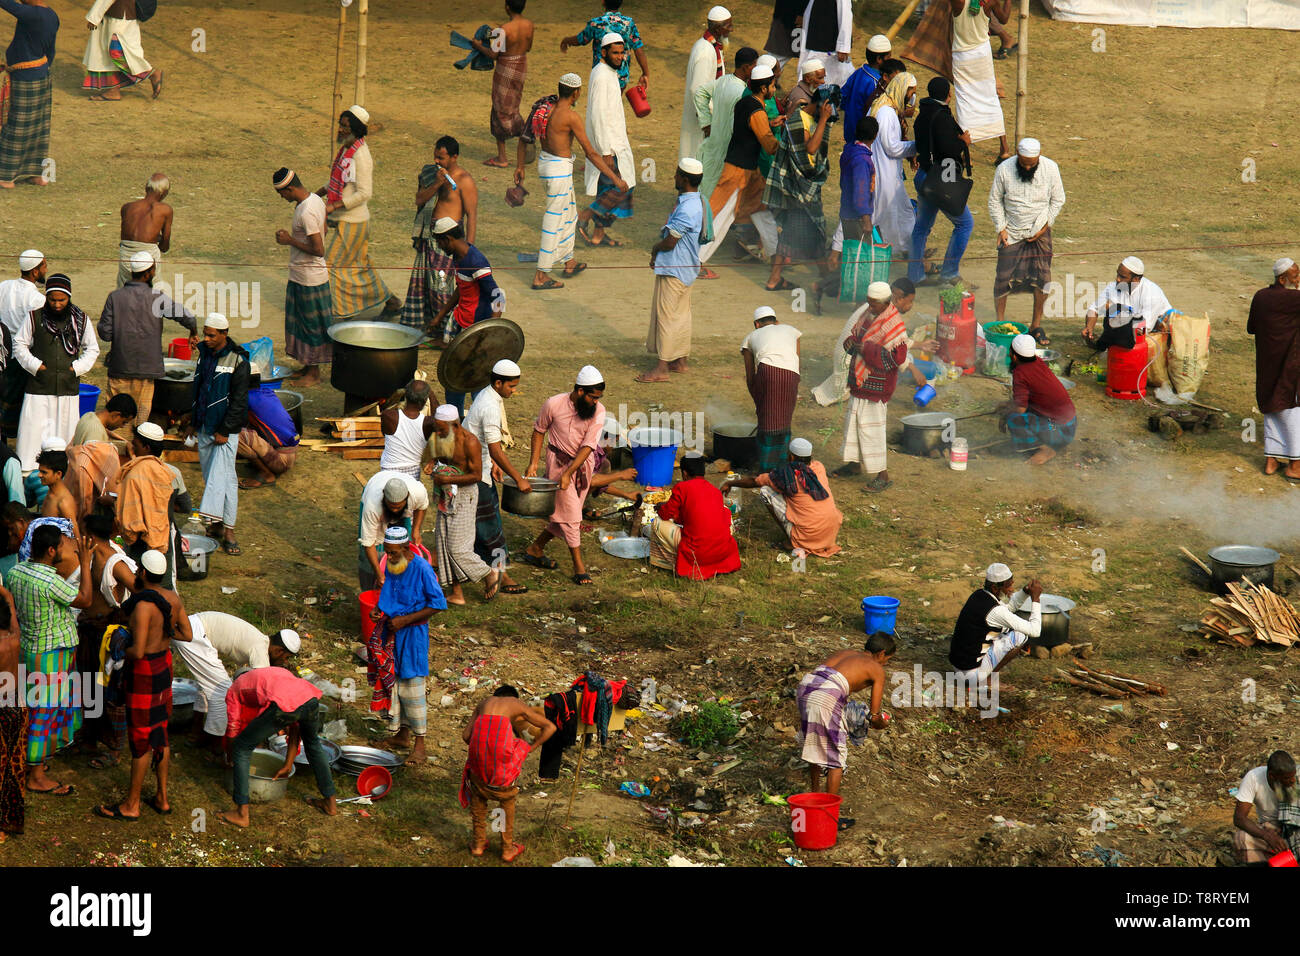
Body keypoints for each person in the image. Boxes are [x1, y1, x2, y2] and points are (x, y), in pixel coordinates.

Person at [92, 549, 190, 821]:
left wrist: (118, 646)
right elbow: (187, 634)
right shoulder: (173, 598)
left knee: (140, 740)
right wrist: (165, 635)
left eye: (137, 572)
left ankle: (131, 805)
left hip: (145, 671)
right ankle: (162, 798)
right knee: (160, 732)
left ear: (144, 573)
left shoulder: (144, 606)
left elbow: (138, 651)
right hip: (164, 666)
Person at [6, 523, 93, 795]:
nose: (70, 550)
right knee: (45, 712)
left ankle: (37, 762)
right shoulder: (50, 580)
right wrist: (87, 564)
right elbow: (86, 600)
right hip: (51, 653)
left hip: (30, 650)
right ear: (51, 550)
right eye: (65, 545)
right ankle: (35, 775)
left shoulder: (16, 571)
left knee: (35, 707)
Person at [518, 73, 624, 290]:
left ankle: (569, 262)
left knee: (569, 214)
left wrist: (520, 166)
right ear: (576, 92)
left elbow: (524, 138)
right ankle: (540, 275)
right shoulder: (571, 117)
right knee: (553, 221)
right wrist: (615, 179)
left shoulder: (545, 107)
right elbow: (591, 154)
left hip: (547, 166)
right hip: (558, 171)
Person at [219, 666, 338, 828]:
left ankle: (241, 813)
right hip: (309, 698)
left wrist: (231, 758)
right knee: (313, 744)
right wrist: (288, 764)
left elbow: (233, 730)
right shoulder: (274, 673)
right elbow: (295, 724)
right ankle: (330, 803)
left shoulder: (234, 689)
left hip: (286, 704)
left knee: (241, 747)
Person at [368, 526, 445, 763]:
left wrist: (405, 620)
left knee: (412, 687)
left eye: (393, 553)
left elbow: (438, 604)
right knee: (396, 685)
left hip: (413, 636)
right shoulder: (392, 565)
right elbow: (390, 593)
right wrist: (379, 609)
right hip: (392, 633)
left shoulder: (422, 569)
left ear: (405, 547)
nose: (389, 557)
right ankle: (401, 735)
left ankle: (419, 745)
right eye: (387, 552)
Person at [522, 367, 606, 585]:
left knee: (566, 513)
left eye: (598, 398)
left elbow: (588, 446)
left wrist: (570, 472)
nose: (596, 402)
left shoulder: (599, 411)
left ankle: (535, 548)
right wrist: (533, 463)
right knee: (572, 517)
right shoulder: (554, 404)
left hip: (581, 466)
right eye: (593, 397)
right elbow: (539, 430)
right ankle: (579, 567)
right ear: (579, 392)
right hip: (556, 464)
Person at [697, 63, 780, 275]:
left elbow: (751, 129)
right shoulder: (758, 112)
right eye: (773, 86)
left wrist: (771, 124)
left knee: (761, 209)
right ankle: (695, 261)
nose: (774, 89)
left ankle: (775, 254)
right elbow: (769, 145)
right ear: (764, 89)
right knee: (721, 216)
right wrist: (786, 140)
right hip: (738, 172)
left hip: (749, 172)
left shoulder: (744, 103)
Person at [318, 106, 399, 321]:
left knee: (331, 266)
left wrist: (334, 206)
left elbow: (365, 193)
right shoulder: (346, 148)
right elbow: (339, 180)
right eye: (340, 125)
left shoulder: (361, 155)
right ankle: (392, 302)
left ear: (355, 128)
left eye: (345, 126)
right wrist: (318, 194)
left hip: (353, 222)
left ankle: (344, 314)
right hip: (348, 221)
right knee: (359, 268)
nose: (341, 129)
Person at [97, 248, 196, 422]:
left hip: (120, 367)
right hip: (147, 370)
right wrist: (193, 331)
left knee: (116, 419)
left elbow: (105, 334)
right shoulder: (157, 298)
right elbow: (186, 316)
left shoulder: (115, 297)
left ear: (132, 272)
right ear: (151, 272)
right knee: (140, 419)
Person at [13, 273, 100, 472]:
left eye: (62, 300)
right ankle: (29, 470)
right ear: (46, 297)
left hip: (67, 388)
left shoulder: (80, 319)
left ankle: (63, 469)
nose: (57, 304)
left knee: (65, 433)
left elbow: (92, 349)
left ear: (69, 297)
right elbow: (19, 344)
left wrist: (76, 368)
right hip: (39, 388)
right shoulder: (34, 317)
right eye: (52, 299)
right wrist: (35, 365)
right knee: (34, 433)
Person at [796, 634, 893, 810]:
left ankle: (814, 797)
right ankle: (828, 812)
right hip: (827, 695)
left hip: (806, 687)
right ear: (881, 653)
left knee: (814, 743)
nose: (885, 664)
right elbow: (874, 716)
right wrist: (883, 723)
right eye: (888, 659)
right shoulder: (876, 669)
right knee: (836, 758)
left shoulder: (845, 653)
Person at [460, 685, 556, 862]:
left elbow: (466, 736)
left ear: (495, 696)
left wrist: (483, 749)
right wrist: (529, 748)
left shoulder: (484, 703)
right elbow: (550, 727)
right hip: (500, 765)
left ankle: (478, 845)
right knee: (505, 798)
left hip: (478, 760)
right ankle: (507, 849)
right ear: (513, 698)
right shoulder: (516, 703)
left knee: (479, 795)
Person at [174, 614, 300, 745]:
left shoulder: (260, 641)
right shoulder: (260, 651)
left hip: (189, 628)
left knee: (209, 686)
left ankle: (196, 733)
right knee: (224, 691)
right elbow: (263, 691)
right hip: (192, 635)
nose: (284, 662)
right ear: (279, 651)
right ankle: (215, 744)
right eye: (286, 657)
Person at [73, 511, 136, 767]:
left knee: (110, 691)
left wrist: (119, 619)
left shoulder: (115, 563)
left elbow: (141, 593)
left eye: (80, 531)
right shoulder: (88, 557)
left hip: (108, 635)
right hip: (89, 631)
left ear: (89, 535)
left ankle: (113, 748)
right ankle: (89, 738)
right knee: (88, 685)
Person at [989, 138, 1066, 340]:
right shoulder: (1004, 169)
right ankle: (999, 323)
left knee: (1043, 279)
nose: (1028, 166)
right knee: (1002, 278)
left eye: (1032, 163)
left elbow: (1058, 199)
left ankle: (1035, 325)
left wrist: (1045, 225)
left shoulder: (1050, 168)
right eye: (1024, 163)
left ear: (1039, 157)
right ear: (1017, 154)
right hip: (1011, 231)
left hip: (1039, 230)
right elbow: (995, 200)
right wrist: (1001, 228)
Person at [462, 359, 529, 594]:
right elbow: (495, 449)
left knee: (482, 525)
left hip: (480, 467)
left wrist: (492, 465)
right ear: (498, 383)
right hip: (476, 473)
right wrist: (518, 478)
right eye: (511, 386)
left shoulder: (487, 395)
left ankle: (492, 570)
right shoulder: (490, 406)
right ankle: (501, 574)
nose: (514, 390)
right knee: (491, 527)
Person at [425, 404, 501, 604]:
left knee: (458, 548)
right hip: (446, 493)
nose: (438, 433)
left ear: (455, 425)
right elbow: (438, 455)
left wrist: (448, 480)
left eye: (442, 429)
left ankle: (488, 573)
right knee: (443, 542)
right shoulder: (441, 436)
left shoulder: (471, 442)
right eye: (437, 428)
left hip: (465, 495)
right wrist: (432, 463)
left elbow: (476, 475)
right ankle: (457, 593)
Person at [836, 281, 908, 492]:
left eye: (874, 304)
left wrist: (866, 349)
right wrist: (850, 343)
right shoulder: (867, 315)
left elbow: (897, 359)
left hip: (877, 387)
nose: (870, 307)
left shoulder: (895, 325)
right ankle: (854, 464)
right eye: (868, 303)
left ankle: (882, 476)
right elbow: (856, 336)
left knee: (871, 432)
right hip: (860, 383)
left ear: (886, 302)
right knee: (853, 424)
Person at [762, 85, 834, 293]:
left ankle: (775, 278)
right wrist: (822, 120)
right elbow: (809, 149)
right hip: (797, 188)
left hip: (804, 187)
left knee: (798, 231)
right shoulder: (798, 119)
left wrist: (822, 120)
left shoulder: (809, 119)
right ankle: (825, 278)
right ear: (821, 105)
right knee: (814, 230)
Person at [640, 159, 706, 384]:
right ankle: (680, 361)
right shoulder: (697, 201)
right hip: (685, 267)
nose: (674, 178)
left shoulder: (687, 208)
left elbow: (670, 242)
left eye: (677, 174)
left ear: (685, 179)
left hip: (675, 268)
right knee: (681, 315)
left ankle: (662, 368)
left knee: (667, 318)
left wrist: (654, 250)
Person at [402, 137, 478, 330]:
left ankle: (446, 330)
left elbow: (472, 216)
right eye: (435, 157)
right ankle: (423, 327)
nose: (437, 161)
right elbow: (419, 200)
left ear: (454, 157)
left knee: (441, 288)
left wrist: (468, 250)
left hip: (449, 242)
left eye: (442, 158)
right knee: (422, 285)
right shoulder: (430, 174)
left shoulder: (464, 180)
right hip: (428, 237)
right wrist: (436, 184)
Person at [724, 437, 842, 556]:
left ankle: (792, 541)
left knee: (766, 491)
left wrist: (729, 483)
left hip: (807, 536)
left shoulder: (784, 476)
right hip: (830, 533)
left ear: (790, 457)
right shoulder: (819, 467)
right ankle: (813, 537)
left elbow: (755, 481)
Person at [191, 314, 248, 555]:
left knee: (226, 481)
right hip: (205, 426)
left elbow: (239, 401)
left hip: (223, 431)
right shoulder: (204, 354)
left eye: (212, 335)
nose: (207, 338)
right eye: (205, 333)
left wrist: (225, 430)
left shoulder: (238, 360)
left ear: (224, 334)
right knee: (211, 478)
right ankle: (215, 525)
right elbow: (199, 387)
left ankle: (229, 531)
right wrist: (192, 421)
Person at [910, 77, 974, 287]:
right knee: (965, 224)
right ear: (948, 94)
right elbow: (948, 151)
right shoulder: (943, 117)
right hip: (941, 179)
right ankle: (949, 273)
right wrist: (962, 142)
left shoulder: (922, 115)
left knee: (921, 228)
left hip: (924, 177)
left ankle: (915, 275)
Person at [273, 167, 333, 387]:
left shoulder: (306, 211)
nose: (282, 198)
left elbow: (319, 249)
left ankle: (314, 374)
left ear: (289, 188)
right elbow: (324, 230)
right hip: (303, 275)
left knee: (311, 326)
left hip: (309, 278)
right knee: (302, 323)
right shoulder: (316, 200)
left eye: (282, 193)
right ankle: (308, 365)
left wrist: (290, 241)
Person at [578, 35, 636, 248]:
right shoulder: (602, 76)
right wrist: (605, 151)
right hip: (609, 145)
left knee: (609, 189)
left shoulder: (609, 72)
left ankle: (598, 235)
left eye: (622, 53)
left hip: (615, 140)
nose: (620, 57)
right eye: (615, 53)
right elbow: (599, 115)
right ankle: (584, 215)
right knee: (621, 188)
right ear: (603, 53)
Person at [649, 451, 741, 579]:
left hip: (697, 554)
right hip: (722, 552)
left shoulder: (682, 487)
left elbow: (665, 514)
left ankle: (665, 563)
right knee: (725, 510)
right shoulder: (714, 491)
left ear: (684, 473)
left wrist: (660, 507)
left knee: (657, 522)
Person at [1247, 258, 1300, 479]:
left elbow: (1251, 328)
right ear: (1282, 279)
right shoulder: (1294, 299)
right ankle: (1295, 466)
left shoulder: (1260, 296)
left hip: (1267, 364)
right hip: (1290, 365)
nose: (1298, 281)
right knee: (1293, 411)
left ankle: (1271, 461)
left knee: (1271, 408)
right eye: (1296, 277)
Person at [949, 562, 1041, 688]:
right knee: (1020, 636)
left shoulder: (979, 595)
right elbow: (1035, 630)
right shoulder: (995, 611)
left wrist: (1025, 592)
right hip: (970, 674)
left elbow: (1008, 609)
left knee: (1003, 631)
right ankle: (987, 680)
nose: (1012, 589)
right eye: (1008, 586)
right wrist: (1036, 599)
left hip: (957, 667)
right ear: (995, 588)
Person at [0, 0, 58, 189]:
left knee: (16, 125)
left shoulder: (33, 14)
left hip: (27, 76)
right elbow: (51, 50)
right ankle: (37, 174)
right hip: (41, 72)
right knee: (39, 127)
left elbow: (7, 4)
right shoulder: (51, 15)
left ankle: (5, 176)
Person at [117, 422, 182, 588]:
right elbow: (185, 506)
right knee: (164, 586)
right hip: (163, 538)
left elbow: (129, 515)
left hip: (138, 541)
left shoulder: (133, 473)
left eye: (135, 443)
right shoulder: (170, 472)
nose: (132, 446)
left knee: (137, 586)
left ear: (146, 447)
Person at [470, 0, 534, 169]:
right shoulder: (529, 25)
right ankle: (525, 135)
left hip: (505, 69)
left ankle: (502, 157)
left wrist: (477, 45)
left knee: (500, 109)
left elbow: (493, 54)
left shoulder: (503, 29)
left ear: (507, 7)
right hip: (520, 66)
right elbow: (528, 47)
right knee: (514, 105)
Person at [430, 218, 504, 361]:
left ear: (447, 239)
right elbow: (462, 288)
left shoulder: (476, 262)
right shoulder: (458, 256)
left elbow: (499, 297)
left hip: (475, 323)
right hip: (461, 316)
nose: (441, 248)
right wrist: (440, 316)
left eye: (440, 243)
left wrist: (489, 332)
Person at [696, 47, 759, 210]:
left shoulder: (724, 81)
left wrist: (706, 123)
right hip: (726, 147)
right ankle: (705, 226)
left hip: (712, 143)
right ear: (746, 67)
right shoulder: (742, 93)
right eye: (754, 66)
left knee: (707, 184)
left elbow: (700, 93)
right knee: (713, 190)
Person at [947, 0, 1010, 162]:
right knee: (990, 97)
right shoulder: (989, 2)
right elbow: (1004, 19)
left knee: (964, 99)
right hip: (982, 54)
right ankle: (1004, 148)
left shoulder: (958, 2)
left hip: (962, 56)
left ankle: (964, 149)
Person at [739, 306, 801, 468]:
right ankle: (781, 464)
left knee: (767, 420)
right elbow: (795, 359)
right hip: (792, 374)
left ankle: (766, 469)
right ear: (776, 322)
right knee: (784, 419)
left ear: (757, 324)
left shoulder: (750, 337)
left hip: (768, 372)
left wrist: (757, 398)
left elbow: (750, 375)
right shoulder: (791, 331)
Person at [1000, 335, 1076, 464]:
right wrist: (1008, 405)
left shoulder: (1020, 373)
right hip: (1070, 426)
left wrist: (1005, 414)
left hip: (1059, 432)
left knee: (1013, 419)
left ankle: (1046, 450)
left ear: (1013, 356)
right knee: (1016, 411)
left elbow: (1020, 409)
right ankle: (1043, 441)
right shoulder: (1038, 362)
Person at [868, 71, 918, 259]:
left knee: (903, 211)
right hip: (884, 173)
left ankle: (909, 248)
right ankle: (897, 250)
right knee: (885, 213)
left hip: (887, 171)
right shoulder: (886, 113)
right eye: (911, 92)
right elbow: (892, 148)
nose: (912, 97)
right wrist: (916, 146)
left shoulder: (885, 106)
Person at [1081, 256, 1175, 352]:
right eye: (1117, 274)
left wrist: (1117, 335)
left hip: (1156, 331)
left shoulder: (1151, 292)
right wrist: (1089, 327)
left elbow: (1144, 329)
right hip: (1130, 326)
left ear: (1136, 279)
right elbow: (1094, 309)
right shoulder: (1113, 287)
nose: (1117, 279)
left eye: (1122, 277)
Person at [0, 250, 46, 439]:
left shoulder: (4, 286)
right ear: (35, 272)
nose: (46, 269)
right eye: (44, 265)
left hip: (2, 352)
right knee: (17, 399)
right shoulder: (37, 299)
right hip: (22, 355)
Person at [358, 471, 429, 591]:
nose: (395, 510)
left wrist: (416, 530)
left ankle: (401, 585)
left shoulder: (418, 492)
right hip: (375, 485)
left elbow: (422, 507)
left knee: (403, 546)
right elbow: (368, 543)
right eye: (391, 506)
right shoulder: (372, 506)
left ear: (407, 498)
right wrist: (378, 572)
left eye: (398, 506)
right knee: (374, 553)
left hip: (404, 505)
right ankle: (370, 588)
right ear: (384, 497)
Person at [680, 6, 732, 161]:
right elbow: (697, 90)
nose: (731, 30)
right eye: (728, 26)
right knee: (697, 161)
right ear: (717, 28)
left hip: (709, 118)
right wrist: (707, 122)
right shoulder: (705, 51)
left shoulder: (713, 48)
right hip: (702, 122)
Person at [82, 0, 162, 102]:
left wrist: (94, 16)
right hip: (122, 12)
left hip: (120, 14)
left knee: (117, 51)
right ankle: (113, 90)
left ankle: (150, 73)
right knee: (109, 51)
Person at [560, 0, 648, 91]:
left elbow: (581, 39)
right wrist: (645, 73)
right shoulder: (629, 23)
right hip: (621, 76)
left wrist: (566, 40)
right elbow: (638, 48)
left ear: (603, 2)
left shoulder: (596, 23)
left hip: (601, 75)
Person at [1233, 751, 1297, 865]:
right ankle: (1283, 859)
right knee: (1241, 838)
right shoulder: (1254, 778)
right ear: (1272, 776)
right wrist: (1267, 836)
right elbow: (1239, 818)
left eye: (1293, 776)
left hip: (1297, 827)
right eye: (1287, 778)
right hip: (1272, 828)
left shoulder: (1297, 777)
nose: (1293, 781)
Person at [115, 173, 172, 287]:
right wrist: (158, 241)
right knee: (154, 291)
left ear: (146, 188)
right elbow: (165, 247)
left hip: (126, 256)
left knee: (124, 290)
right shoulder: (165, 210)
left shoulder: (126, 207)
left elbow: (132, 233)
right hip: (149, 255)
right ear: (164, 192)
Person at [0, 583, 22, 842]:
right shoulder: (15, 635)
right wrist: (5, 595)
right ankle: (9, 820)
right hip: (16, 708)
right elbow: (13, 611)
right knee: (10, 770)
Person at [840, 34, 891, 144]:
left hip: (850, 134)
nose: (890, 61)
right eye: (888, 58)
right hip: (864, 139)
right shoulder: (876, 84)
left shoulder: (859, 72)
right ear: (879, 59)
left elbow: (843, 98)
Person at [380, 380, 436, 478]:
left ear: (406, 396)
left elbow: (384, 433)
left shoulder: (388, 416)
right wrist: (431, 394)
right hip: (412, 474)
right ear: (424, 401)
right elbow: (440, 417)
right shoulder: (428, 423)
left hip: (387, 472)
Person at [797, 0, 853, 86]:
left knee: (828, 79)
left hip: (827, 40)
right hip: (812, 33)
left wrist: (843, 46)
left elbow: (845, 12)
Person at [36, 447, 75, 533]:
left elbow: (75, 536)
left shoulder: (64, 502)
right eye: (40, 471)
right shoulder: (51, 493)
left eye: (44, 472)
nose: (39, 475)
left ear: (58, 474)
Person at [763, 0, 801, 68]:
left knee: (813, 63)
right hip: (786, 17)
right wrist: (801, 13)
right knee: (774, 62)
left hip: (812, 20)